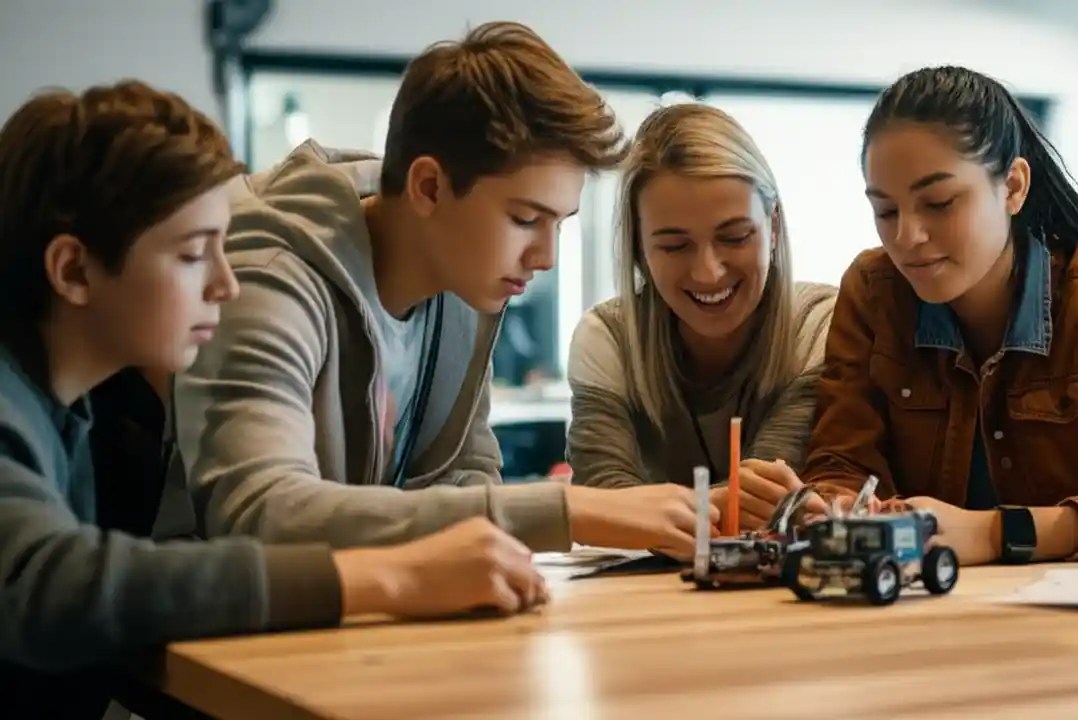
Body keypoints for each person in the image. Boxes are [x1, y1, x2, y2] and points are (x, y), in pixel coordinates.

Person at [0, 81, 549, 720]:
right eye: (190, 254)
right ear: (72, 271)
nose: (226, 284)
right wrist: (394, 576)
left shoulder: (72, 414)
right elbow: (46, 585)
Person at [156, 21, 712, 558]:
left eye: (559, 223)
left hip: (363, 623)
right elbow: (261, 513)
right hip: (208, 638)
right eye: (524, 219)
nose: (546, 257)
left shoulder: (464, 285)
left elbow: (465, 472)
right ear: (428, 187)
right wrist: (570, 509)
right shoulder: (268, 276)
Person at [783, 65, 1078, 564]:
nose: (907, 238)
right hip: (917, 609)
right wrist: (838, 504)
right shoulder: (873, 290)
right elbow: (840, 464)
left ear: (1013, 187)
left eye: (938, 203)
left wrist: (996, 532)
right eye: (886, 211)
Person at [567, 103, 834, 531]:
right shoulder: (609, 337)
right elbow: (599, 501)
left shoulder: (820, 326)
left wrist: (647, 512)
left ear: (774, 228)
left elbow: (760, 504)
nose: (708, 272)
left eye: (734, 237)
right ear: (638, 249)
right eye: (674, 246)